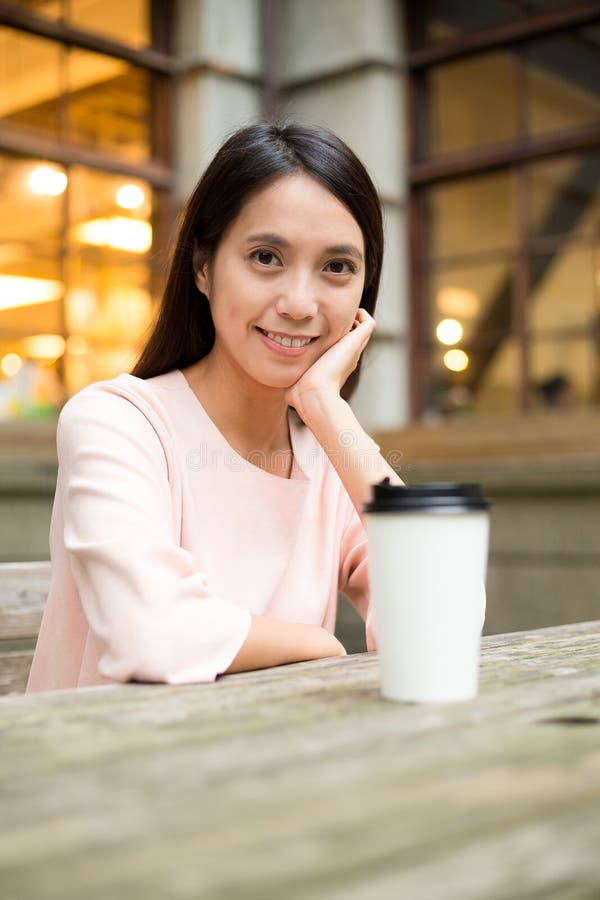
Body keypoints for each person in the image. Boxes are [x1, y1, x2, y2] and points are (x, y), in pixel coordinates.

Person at [26, 122, 404, 693]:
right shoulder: (118, 423)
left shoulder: (329, 462)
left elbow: (439, 617)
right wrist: (317, 644)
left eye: (336, 267)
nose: (300, 304)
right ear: (203, 267)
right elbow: (152, 634)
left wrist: (328, 410)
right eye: (266, 256)